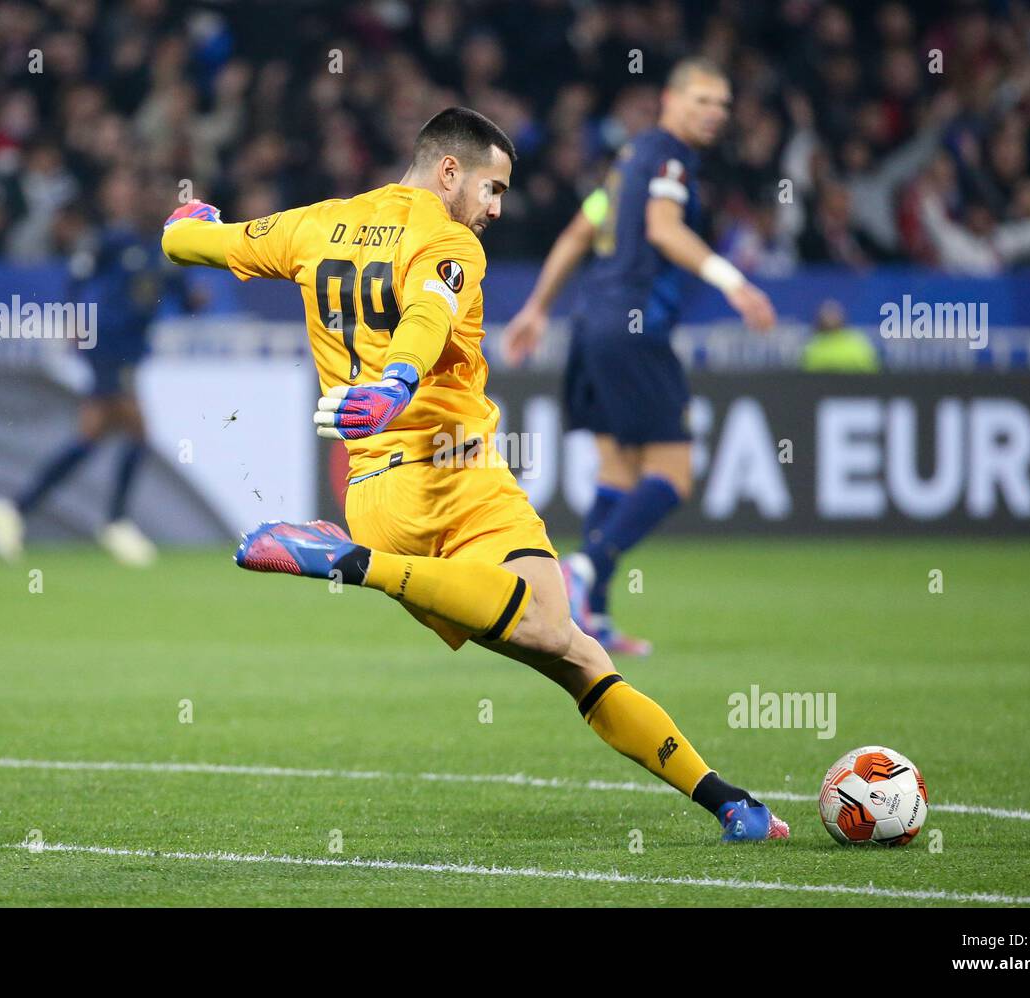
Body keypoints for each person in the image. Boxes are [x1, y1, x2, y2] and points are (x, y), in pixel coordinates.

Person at [160, 106, 788, 843]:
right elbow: (429, 311)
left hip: (378, 490)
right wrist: (396, 383)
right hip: (450, 474)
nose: (494, 209)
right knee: (552, 627)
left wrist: (185, 223)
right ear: (448, 170)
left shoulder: (315, 224)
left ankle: (728, 803)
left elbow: (197, 241)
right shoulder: (447, 239)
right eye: (491, 188)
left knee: (574, 650)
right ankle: (353, 565)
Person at [502, 58, 776, 656]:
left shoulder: (628, 164)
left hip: (591, 325)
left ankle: (589, 613)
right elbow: (663, 228)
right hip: (635, 328)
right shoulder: (671, 159)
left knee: (618, 474)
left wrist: (536, 307)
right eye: (703, 100)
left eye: (723, 104)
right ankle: (584, 568)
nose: (715, 114)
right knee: (673, 477)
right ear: (671, 101)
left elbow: (580, 231)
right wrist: (734, 282)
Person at [0, 169, 200, 566]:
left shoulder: (169, 253)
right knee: (137, 430)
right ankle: (116, 522)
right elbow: (77, 276)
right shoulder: (115, 241)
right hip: (106, 346)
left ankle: (15, 509)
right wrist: (74, 319)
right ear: (139, 204)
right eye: (151, 199)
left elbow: (183, 300)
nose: (158, 207)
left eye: (165, 201)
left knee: (92, 436)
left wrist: (196, 301)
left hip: (131, 352)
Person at [801, 300, 880, 372]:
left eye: (833, 314)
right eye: (827, 315)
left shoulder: (857, 343)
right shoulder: (813, 346)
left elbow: (872, 371)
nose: (830, 319)